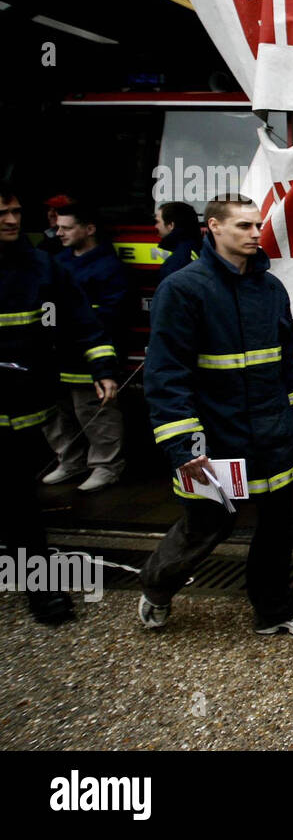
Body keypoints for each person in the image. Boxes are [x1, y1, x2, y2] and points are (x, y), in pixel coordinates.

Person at [136, 194, 293, 637]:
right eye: (242, 226)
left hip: (272, 433)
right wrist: (183, 446)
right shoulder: (183, 289)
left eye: (257, 225)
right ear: (214, 228)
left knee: (280, 528)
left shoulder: (271, 289)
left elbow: (284, 362)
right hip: (215, 439)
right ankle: (157, 586)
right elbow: (166, 375)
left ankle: (274, 610)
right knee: (206, 527)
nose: (254, 234)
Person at [0, 182, 118, 624]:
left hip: (23, 412)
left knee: (21, 506)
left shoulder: (41, 267)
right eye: (2, 214)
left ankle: (41, 592)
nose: (12, 221)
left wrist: (102, 367)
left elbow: (82, 320)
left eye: (15, 211)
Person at [40, 202, 129, 492]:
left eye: (67, 228)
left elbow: (108, 318)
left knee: (95, 413)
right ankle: (69, 461)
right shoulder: (57, 262)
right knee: (56, 414)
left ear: (89, 229)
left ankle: (106, 466)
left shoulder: (109, 268)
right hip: (56, 355)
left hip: (88, 355)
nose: (59, 233)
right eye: (58, 227)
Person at [154, 201, 203, 282]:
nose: (156, 226)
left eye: (158, 222)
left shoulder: (175, 264)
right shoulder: (201, 251)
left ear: (171, 225)